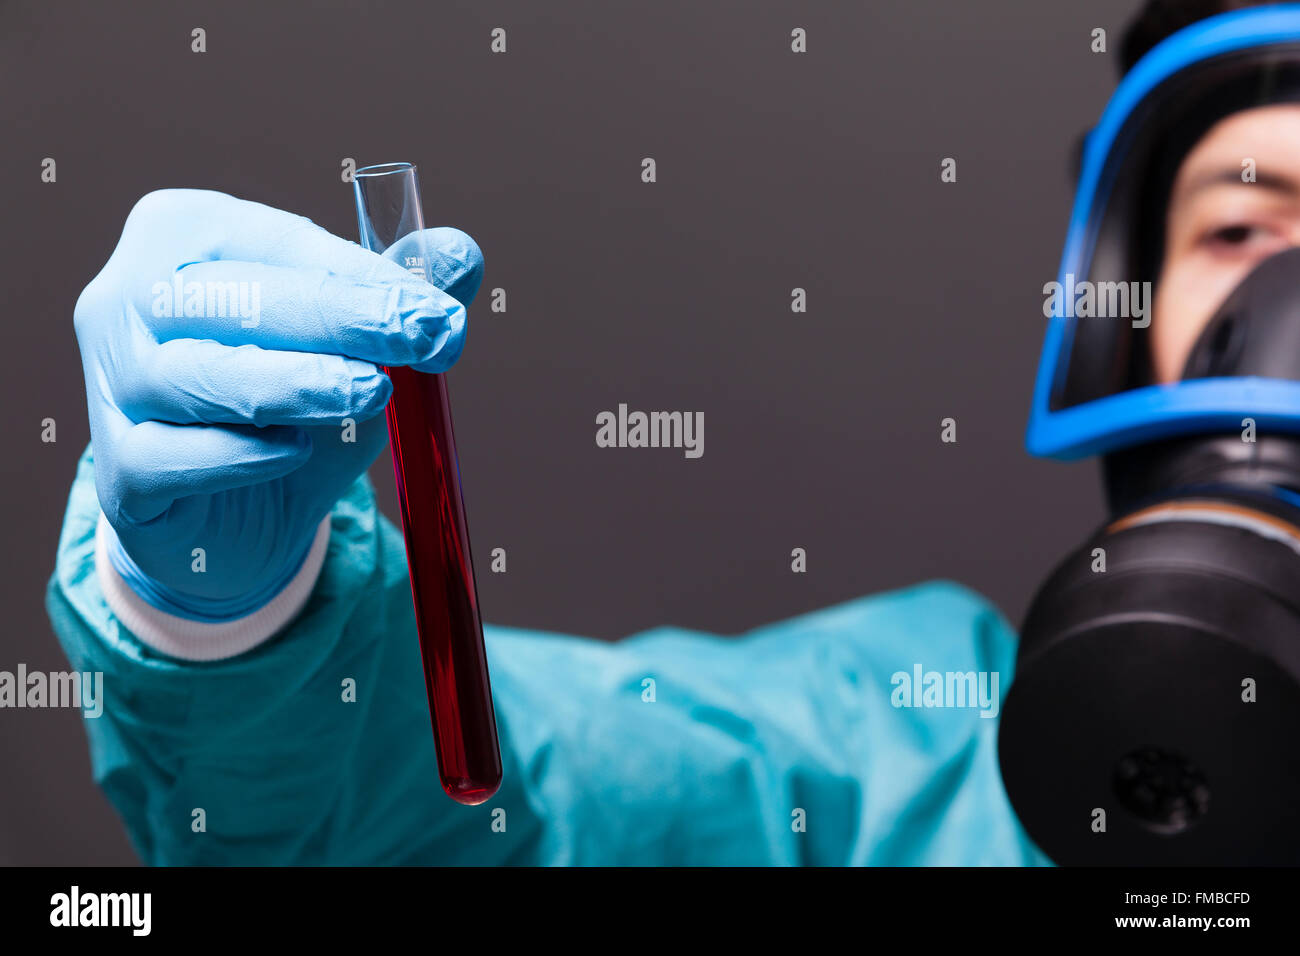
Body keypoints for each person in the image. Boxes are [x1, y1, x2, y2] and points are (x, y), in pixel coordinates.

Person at [48, 0, 1289, 865]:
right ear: (1120, 310)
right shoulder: (901, 759)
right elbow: (475, 817)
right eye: (1242, 232)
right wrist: (234, 619)